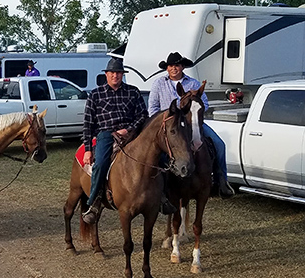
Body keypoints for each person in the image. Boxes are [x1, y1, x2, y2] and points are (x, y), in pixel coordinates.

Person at [148, 51, 234, 198]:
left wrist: (194, 109)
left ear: (182, 67)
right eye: (171, 66)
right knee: (154, 151)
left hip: (193, 123)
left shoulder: (193, 83)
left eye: (177, 65)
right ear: (167, 68)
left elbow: (205, 104)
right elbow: (152, 108)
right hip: (169, 126)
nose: (174, 68)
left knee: (219, 144)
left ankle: (221, 181)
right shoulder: (158, 84)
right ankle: (156, 187)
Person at [82, 58, 149, 224]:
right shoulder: (95, 95)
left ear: (122, 75)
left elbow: (142, 115)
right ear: (106, 74)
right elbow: (88, 124)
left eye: (118, 73)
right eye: (112, 72)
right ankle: (95, 201)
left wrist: (128, 129)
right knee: (101, 164)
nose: (115, 76)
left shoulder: (133, 92)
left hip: (130, 133)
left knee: (154, 156)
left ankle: (161, 195)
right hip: (106, 134)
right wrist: (88, 149)